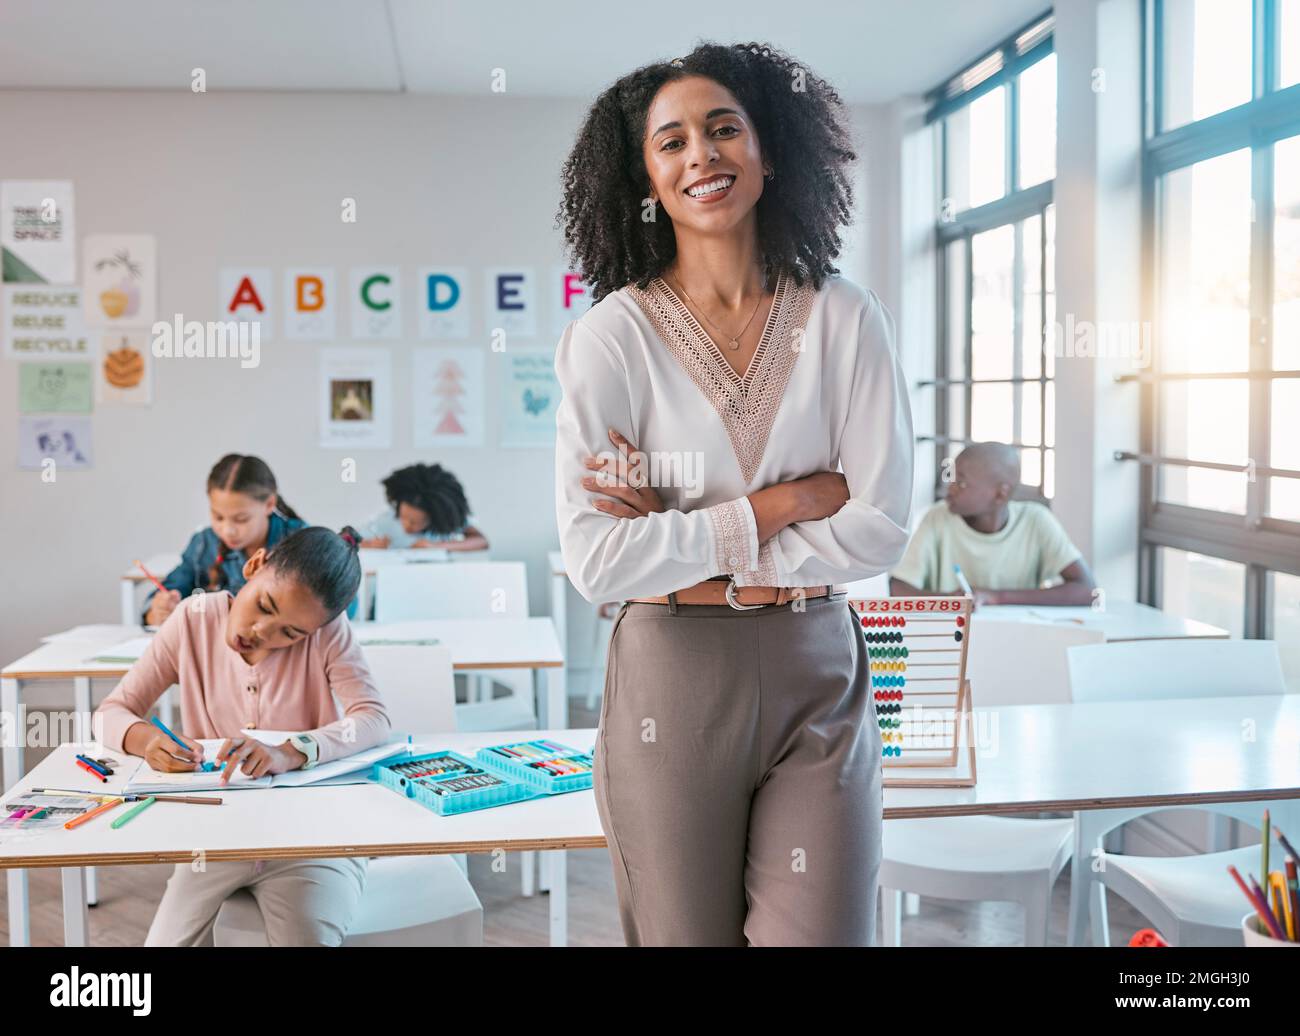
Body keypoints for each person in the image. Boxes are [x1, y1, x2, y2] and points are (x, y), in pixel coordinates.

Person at [553, 42, 914, 945]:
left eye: (723, 129)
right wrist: (779, 505)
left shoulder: (845, 316)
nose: (701, 156)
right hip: (671, 678)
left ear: (770, 150)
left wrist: (682, 540)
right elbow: (597, 561)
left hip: (815, 664)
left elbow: (880, 529)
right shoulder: (611, 338)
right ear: (644, 179)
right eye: (670, 143)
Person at [95, 526, 390, 946]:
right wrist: (144, 740)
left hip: (312, 841)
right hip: (216, 839)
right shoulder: (194, 619)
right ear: (255, 566)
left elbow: (372, 718)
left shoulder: (328, 630)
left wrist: (292, 751)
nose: (261, 631)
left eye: (290, 633)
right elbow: (111, 712)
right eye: (263, 605)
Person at [889, 442, 1097, 606]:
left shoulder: (1036, 521)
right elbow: (897, 588)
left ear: (1000, 494)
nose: (949, 488)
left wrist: (996, 597)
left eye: (961, 483)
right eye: (951, 478)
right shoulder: (938, 518)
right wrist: (950, 602)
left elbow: (1087, 590)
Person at [143, 454, 305, 626]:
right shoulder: (204, 543)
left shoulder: (301, 542)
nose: (228, 531)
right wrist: (157, 612)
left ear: (269, 504)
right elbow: (170, 590)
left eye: (241, 519)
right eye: (218, 517)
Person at [358, 462, 488, 551]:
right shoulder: (387, 519)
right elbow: (348, 542)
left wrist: (435, 546)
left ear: (434, 517)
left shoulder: (447, 523)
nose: (406, 525)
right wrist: (369, 545)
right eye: (403, 517)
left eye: (415, 522)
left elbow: (481, 541)